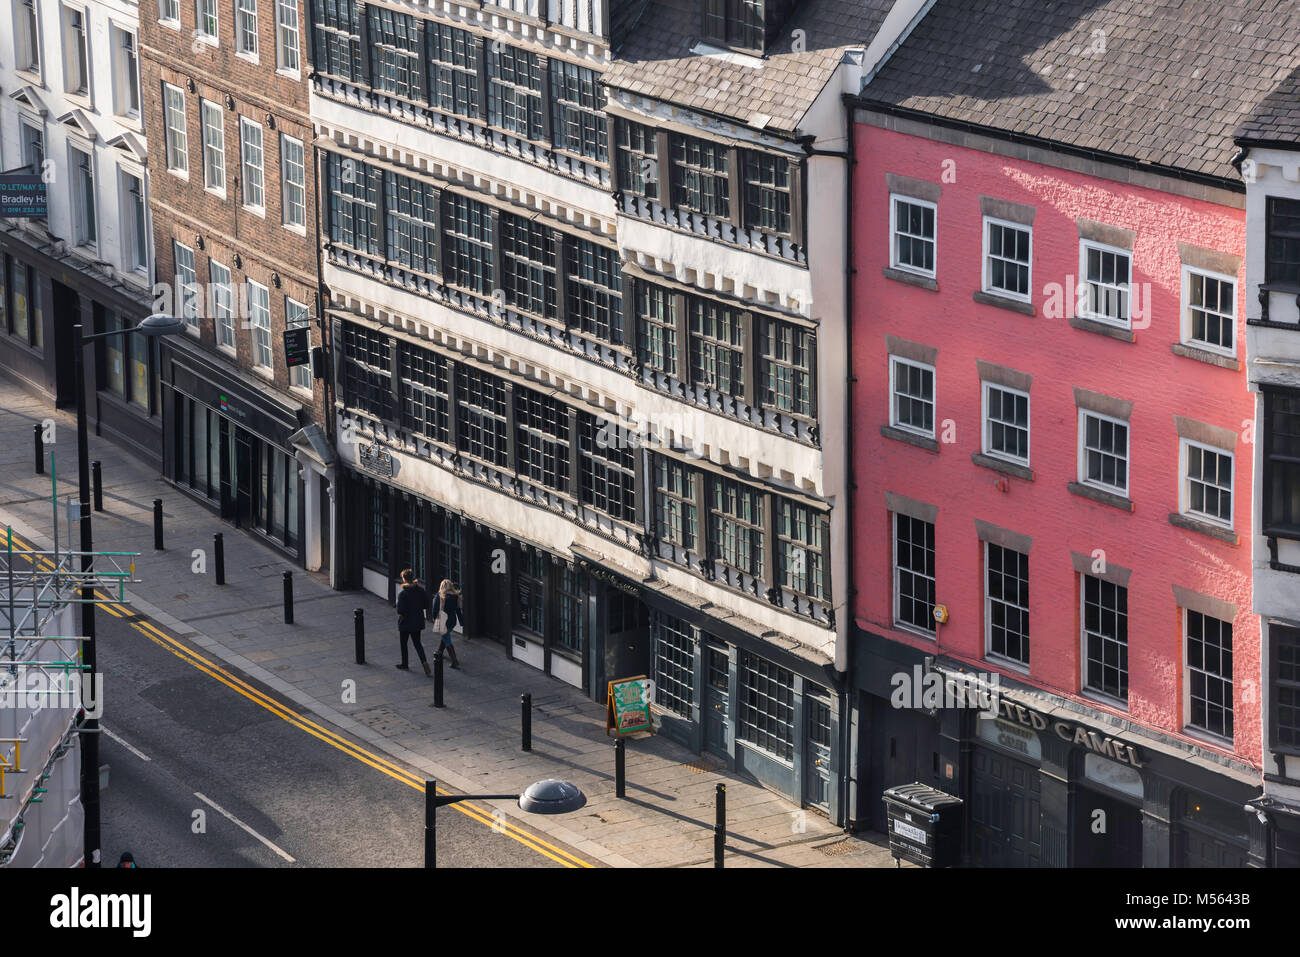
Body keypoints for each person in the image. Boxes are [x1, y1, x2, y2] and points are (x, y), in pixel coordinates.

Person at [395, 569, 432, 676]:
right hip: (417, 621)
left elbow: (400, 610)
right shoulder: (420, 591)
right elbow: (426, 604)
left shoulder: (403, 594)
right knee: (417, 644)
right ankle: (424, 663)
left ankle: (405, 663)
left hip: (405, 623)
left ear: (404, 579)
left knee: (404, 644)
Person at [431, 580, 463, 670]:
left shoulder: (440, 596)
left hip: (443, 620)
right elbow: (458, 610)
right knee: (445, 636)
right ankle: (439, 652)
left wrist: (435, 619)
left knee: (447, 639)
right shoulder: (456, 596)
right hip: (452, 620)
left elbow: (434, 610)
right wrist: (462, 622)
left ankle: (455, 661)